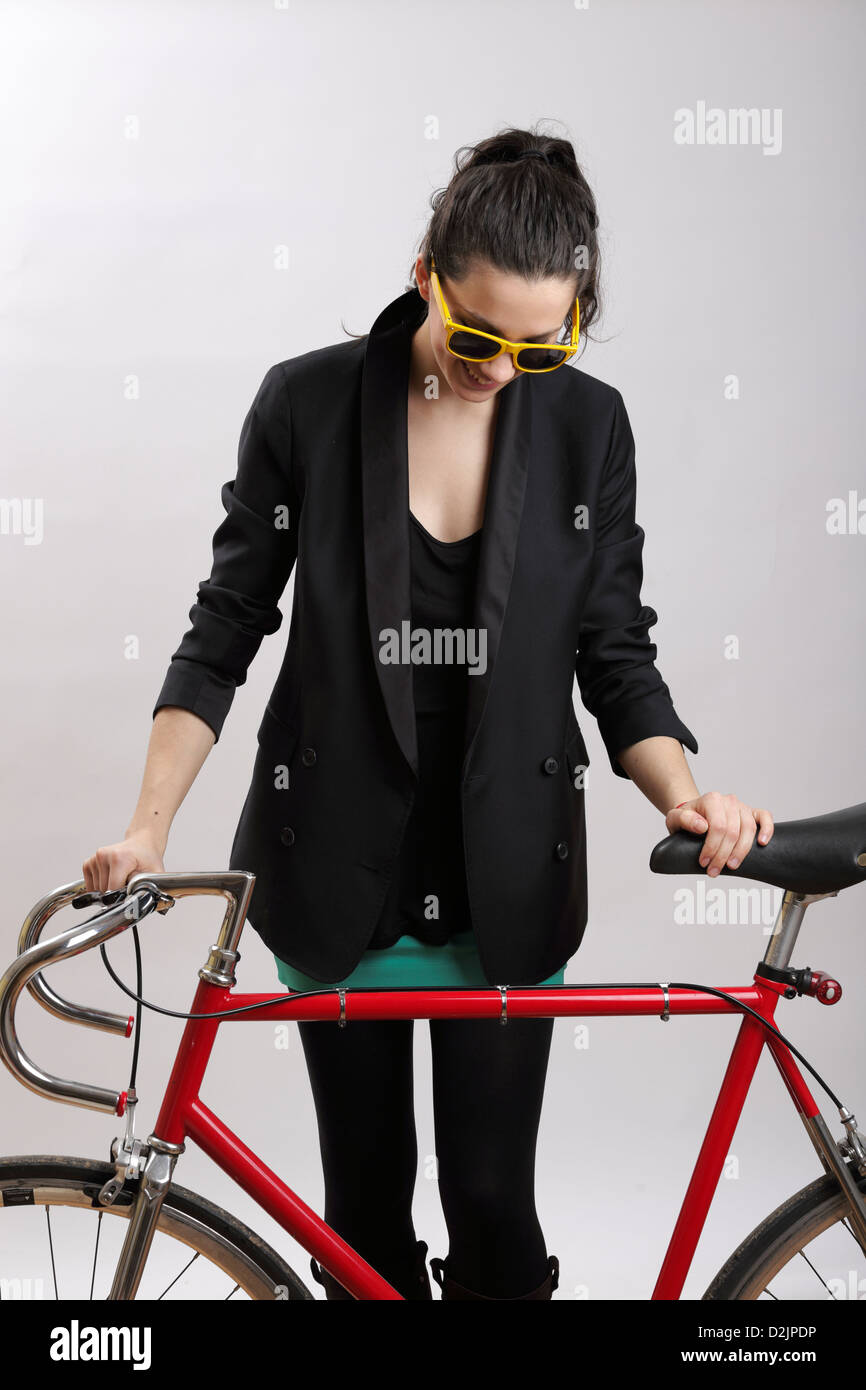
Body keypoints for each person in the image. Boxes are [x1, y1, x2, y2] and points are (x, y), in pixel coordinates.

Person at [83, 124, 775, 1302]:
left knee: (494, 1206)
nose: (502, 368)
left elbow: (614, 654)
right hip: (330, 871)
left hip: (507, 876)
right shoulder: (304, 404)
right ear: (424, 278)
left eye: (539, 347)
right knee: (360, 1211)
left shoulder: (587, 427)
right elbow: (224, 627)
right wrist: (146, 827)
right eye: (476, 335)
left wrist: (681, 791)